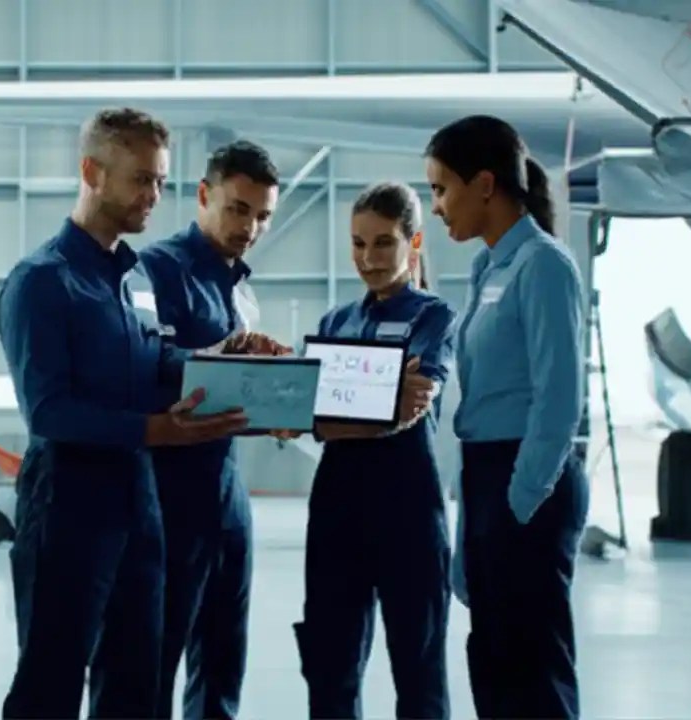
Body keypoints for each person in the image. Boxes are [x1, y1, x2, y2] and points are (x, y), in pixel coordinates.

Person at [0, 107, 254, 719]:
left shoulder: (134, 278)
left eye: (162, 181)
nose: (154, 197)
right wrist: (155, 429)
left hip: (139, 499)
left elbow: (153, 357)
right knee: (51, 679)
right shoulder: (41, 281)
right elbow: (49, 410)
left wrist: (214, 357)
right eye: (142, 180)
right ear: (92, 171)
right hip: (67, 502)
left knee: (137, 678)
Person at [425, 114, 590, 720]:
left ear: (486, 185)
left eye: (442, 188)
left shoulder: (544, 265)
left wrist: (520, 502)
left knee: (533, 668)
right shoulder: (489, 267)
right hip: (489, 475)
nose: (436, 206)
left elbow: (559, 396)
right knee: (491, 656)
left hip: (529, 476)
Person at [291, 181, 455, 720]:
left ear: (415, 241)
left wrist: (329, 414)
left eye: (383, 243)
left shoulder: (435, 317)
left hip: (408, 505)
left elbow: (408, 409)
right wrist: (374, 400)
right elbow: (300, 412)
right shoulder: (336, 323)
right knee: (329, 661)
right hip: (338, 506)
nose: (369, 258)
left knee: (418, 665)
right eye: (358, 244)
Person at [137, 140, 289, 720]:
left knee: (224, 653)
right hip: (171, 492)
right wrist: (222, 355)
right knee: (158, 651)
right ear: (204, 195)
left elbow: (232, 389)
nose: (250, 227)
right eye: (238, 208)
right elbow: (150, 368)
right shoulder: (157, 270)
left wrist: (276, 387)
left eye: (263, 215)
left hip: (228, 491)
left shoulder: (239, 289)